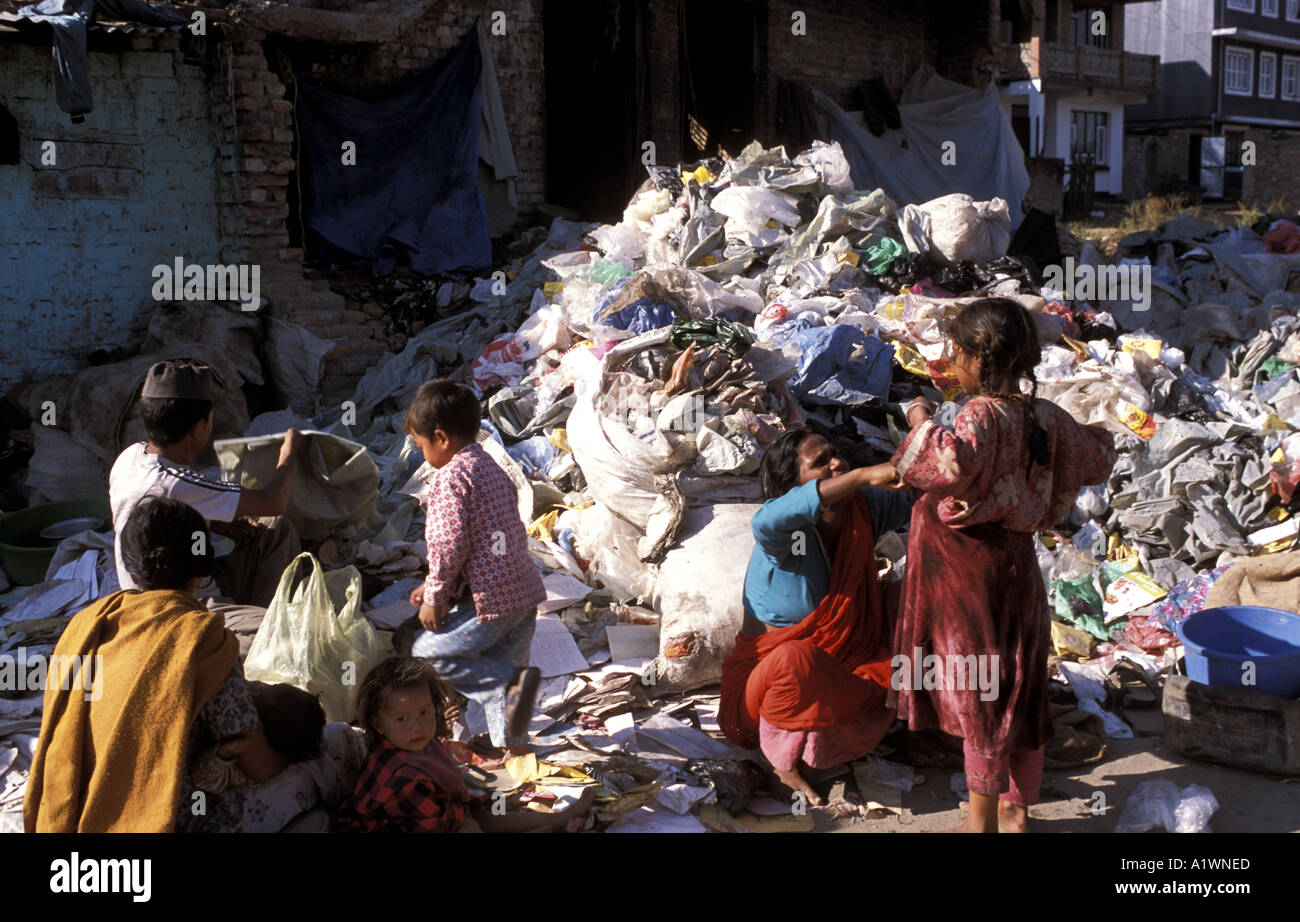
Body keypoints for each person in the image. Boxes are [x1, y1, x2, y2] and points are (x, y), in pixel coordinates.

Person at [891, 298, 1116, 833]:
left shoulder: (979, 415)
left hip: (967, 574)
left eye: (956, 352)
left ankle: (981, 825)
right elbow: (1097, 455)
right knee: (1020, 682)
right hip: (1017, 566)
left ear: (971, 355)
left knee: (979, 691)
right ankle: (1017, 811)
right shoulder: (1044, 414)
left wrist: (919, 414)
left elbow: (947, 463)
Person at [24, 497, 290, 832]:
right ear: (203, 568)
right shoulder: (203, 642)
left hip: (71, 817)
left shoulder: (85, 624)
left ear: (132, 570)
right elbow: (260, 765)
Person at [719, 427, 911, 806]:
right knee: (795, 657)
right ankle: (781, 762)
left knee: (915, 602)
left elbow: (919, 489)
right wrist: (860, 475)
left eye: (834, 454)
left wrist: (922, 431)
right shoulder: (785, 535)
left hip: (845, 671)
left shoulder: (862, 508)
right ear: (795, 487)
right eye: (819, 463)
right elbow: (764, 521)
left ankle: (919, 725)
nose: (837, 463)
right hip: (764, 699)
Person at [403, 379, 545, 755]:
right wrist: (436, 585)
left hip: (490, 601)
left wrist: (435, 595)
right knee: (508, 667)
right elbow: (481, 538)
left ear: (441, 438)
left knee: (430, 653)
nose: (422, 456)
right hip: (522, 592)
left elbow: (448, 544)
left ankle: (506, 691)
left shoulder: (450, 478)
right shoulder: (492, 466)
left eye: (421, 447)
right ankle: (515, 751)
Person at [108, 359, 303, 611]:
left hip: (146, 588)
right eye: (210, 419)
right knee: (278, 529)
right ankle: (264, 619)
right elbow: (273, 501)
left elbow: (172, 515)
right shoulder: (176, 483)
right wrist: (289, 453)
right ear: (198, 428)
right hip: (185, 605)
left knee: (266, 529)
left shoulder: (129, 457)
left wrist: (223, 523)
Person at [336, 656, 591, 833]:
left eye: (425, 712)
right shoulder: (402, 778)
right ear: (378, 725)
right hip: (419, 825)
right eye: (402, 718)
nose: (417, 726)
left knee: (486, 816)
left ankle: (559, 818)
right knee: (478, 823)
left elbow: (449, 792)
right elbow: (431, 826)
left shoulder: (419, 744)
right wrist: (466, 819)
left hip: (438, 815)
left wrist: (473, 810)